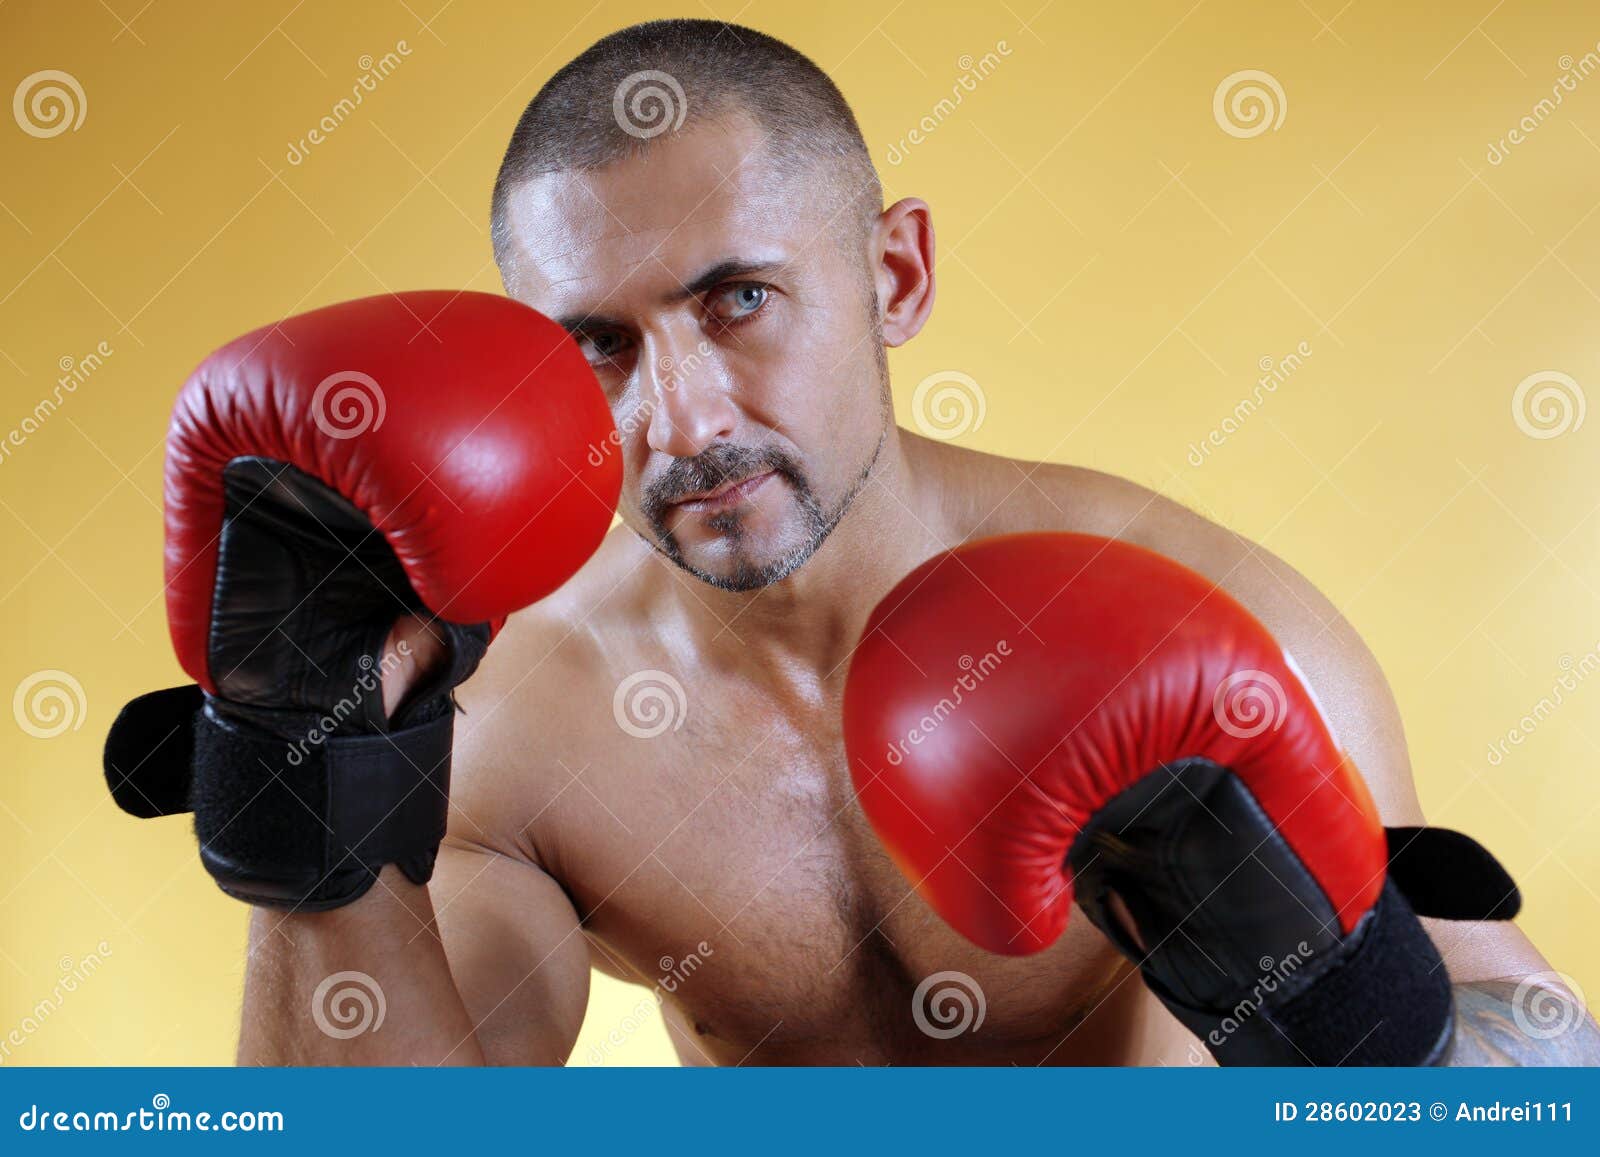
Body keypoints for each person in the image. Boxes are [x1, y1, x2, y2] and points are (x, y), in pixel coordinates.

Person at [110, 19, 1595, 1066]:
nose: (680, 416)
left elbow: (1530, 1080)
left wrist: (1343, 1000)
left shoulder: (1211, 622)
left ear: (894, 273)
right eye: (601, 344)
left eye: (737, 298)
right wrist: (298, 779)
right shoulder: (531, 721)